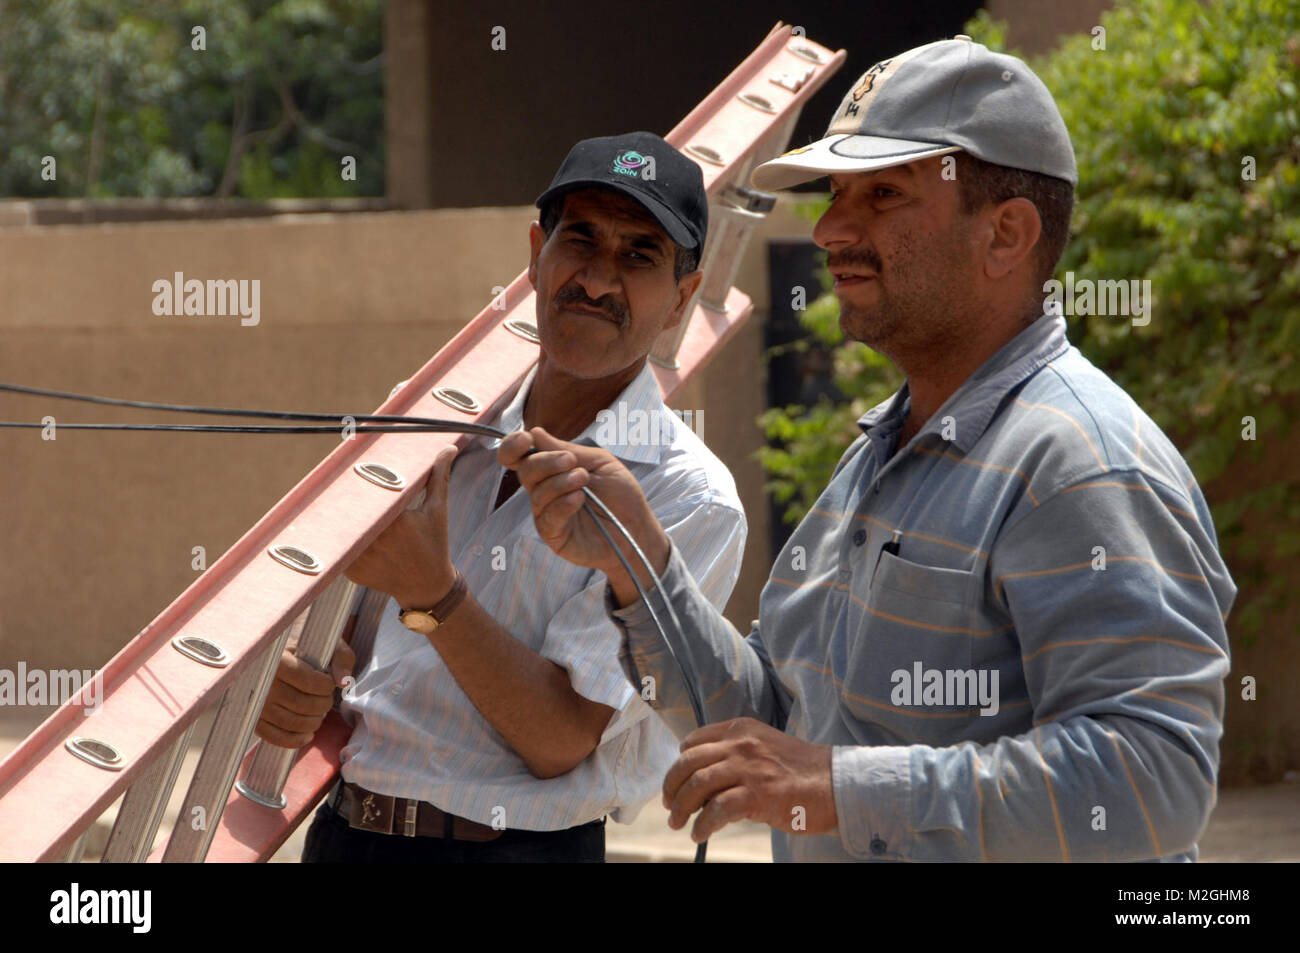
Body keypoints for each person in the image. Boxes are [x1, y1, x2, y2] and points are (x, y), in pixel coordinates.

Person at [502, 37, 1237, 862]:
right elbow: (777, 727)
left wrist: (837, 786)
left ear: (1006, 235)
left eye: (883, 194)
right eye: (836, 194)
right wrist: (643, 574)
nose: (829, 229)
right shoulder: (884, 452)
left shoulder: (1081, 462)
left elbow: (1153, 779)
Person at [254, 131, 747, 862]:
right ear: (535, 255)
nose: (599, 280)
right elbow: (348, 641)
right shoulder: (430, 426)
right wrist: (298, 673)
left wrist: (435, 594)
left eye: (638, 255)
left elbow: (558, 739)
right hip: (347, 836)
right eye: (580, 239)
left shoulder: (687, 496)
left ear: (682, 299)